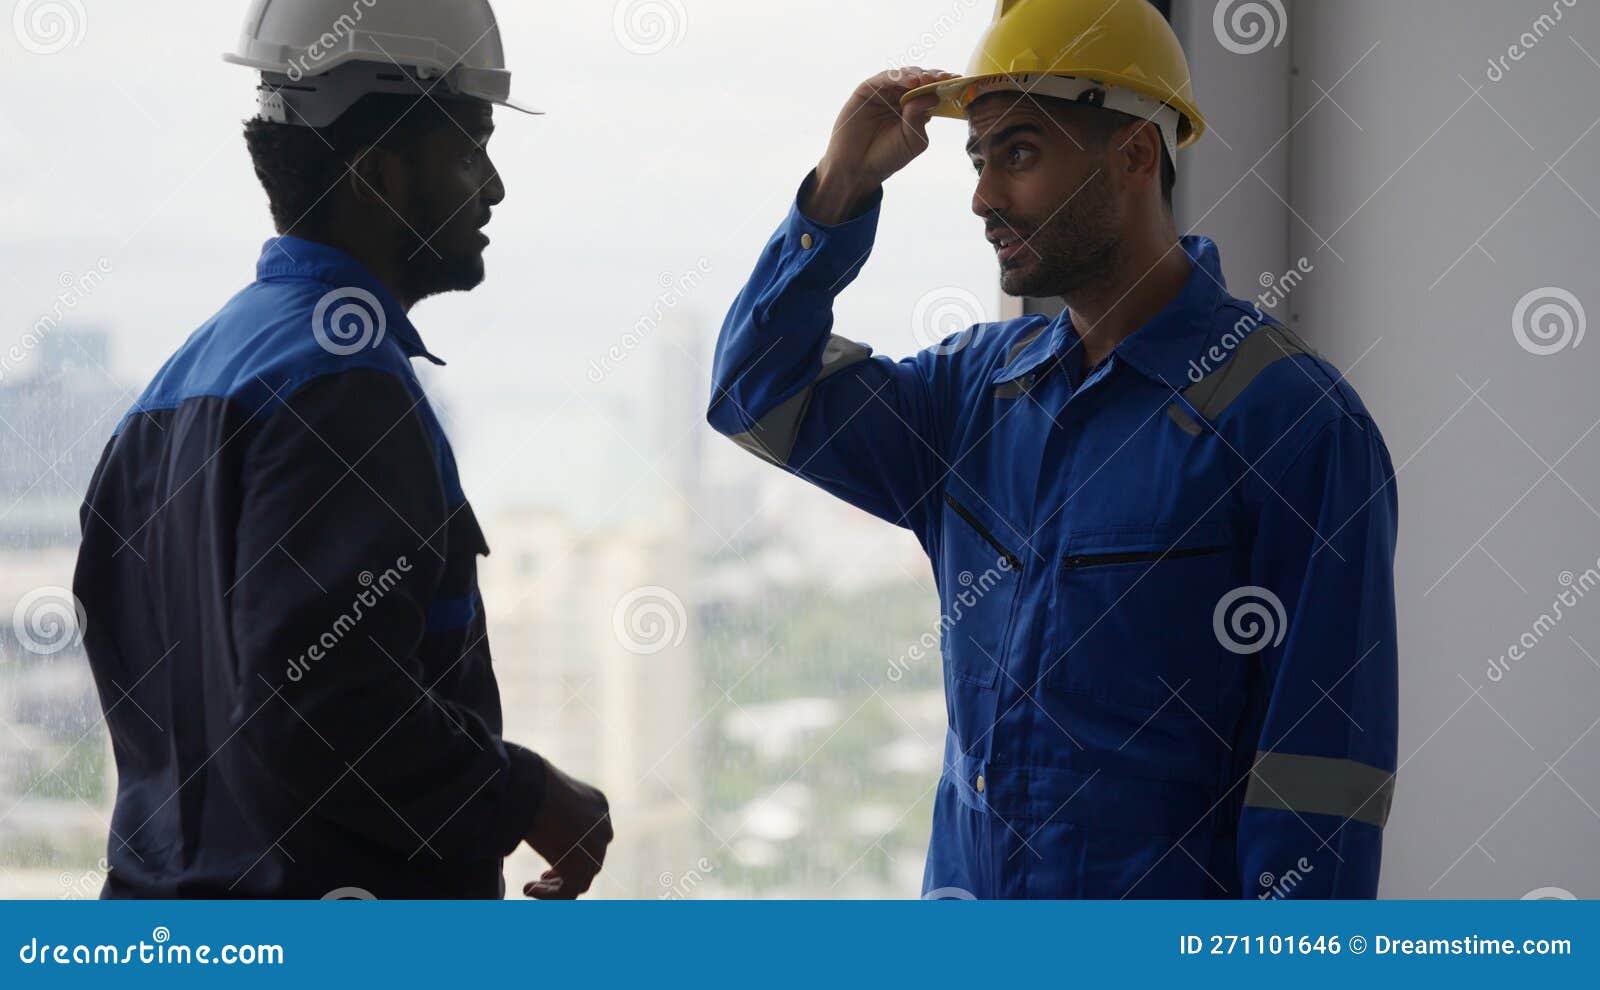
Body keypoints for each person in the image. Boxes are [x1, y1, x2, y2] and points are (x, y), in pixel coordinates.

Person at [707, 0, 1399, 898]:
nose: (985, 197)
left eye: (1020, 154)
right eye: (979, 157)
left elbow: (1321, 784)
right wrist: (838, 189)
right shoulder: (971, 398)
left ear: (1136, 155)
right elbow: (753, 394)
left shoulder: (1293, 423)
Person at [72, 0, 611, 899]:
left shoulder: (184, 382)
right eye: (471, 147)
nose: (493, 188)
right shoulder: (341, 385)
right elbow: (323, 706)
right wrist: (530, 797)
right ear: (379, 175)